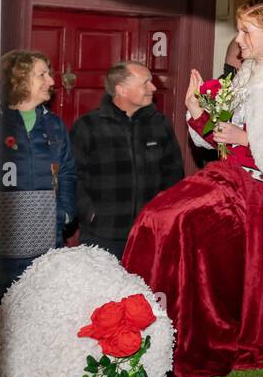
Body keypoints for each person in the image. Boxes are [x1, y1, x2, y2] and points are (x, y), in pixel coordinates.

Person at [122, 0, 263, 377]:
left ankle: (194, 328)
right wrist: (196, 108)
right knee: (158, 212)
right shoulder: (248, 74)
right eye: (240, 30)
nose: (239, 39)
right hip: (233, 173)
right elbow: (216, 137)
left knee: (180, 219)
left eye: (247, 31)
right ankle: (146, 324)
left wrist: (246, 137)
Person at [70, 61, 185, 259]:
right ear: (121, 90)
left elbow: (174, 175)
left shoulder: (160, 124)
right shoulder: (88, 126)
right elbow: (73, 176)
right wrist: (90, 214)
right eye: (145, 83)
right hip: (102, 235)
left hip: (150, 233)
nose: (153, 88)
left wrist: (164, 215)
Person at [0, 51, 77, 298]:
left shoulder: (54, 124)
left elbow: (67, 172)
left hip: (47, 241)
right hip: (0, 247)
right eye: (41, 75)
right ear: (18, 79)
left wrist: (64, 212)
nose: (51, 82)